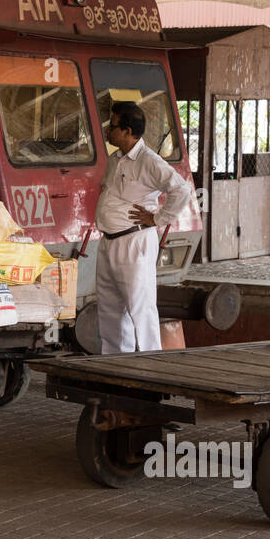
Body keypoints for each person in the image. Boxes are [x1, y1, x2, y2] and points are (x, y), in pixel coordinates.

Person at [94, 101, 194, 353]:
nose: (108, 130)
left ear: (128, 131)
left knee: (140, 306)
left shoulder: (149, 160)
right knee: (109, 307)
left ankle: (151, 361)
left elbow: (181, 189)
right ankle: (116, 361)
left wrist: (158, 219)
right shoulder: (115, 159)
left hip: (134, 241)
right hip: (109, 240)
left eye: (113, 126)